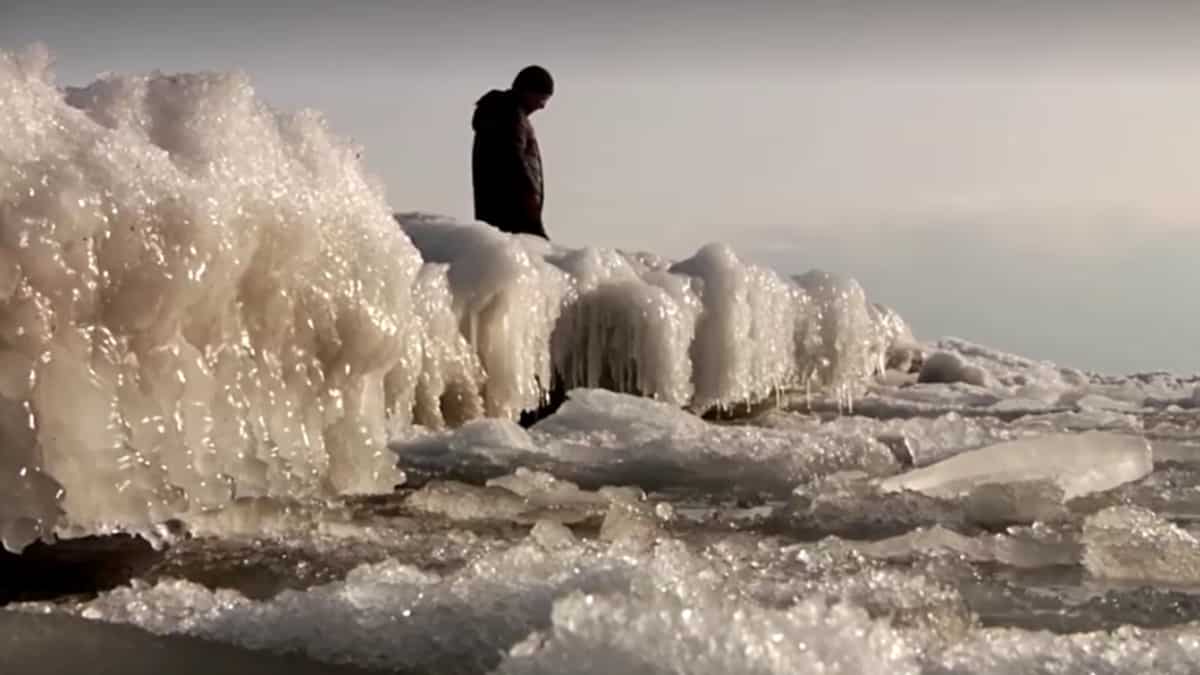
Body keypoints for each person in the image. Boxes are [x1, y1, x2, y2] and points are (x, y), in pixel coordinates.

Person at [471, 65, 554, 239]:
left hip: (500, 211)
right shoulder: (511, 115)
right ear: (528, 91)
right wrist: (531, 212)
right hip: (514, 214)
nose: (542, 106)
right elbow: (513, 162)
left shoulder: (502, 114)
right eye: (542, 98)